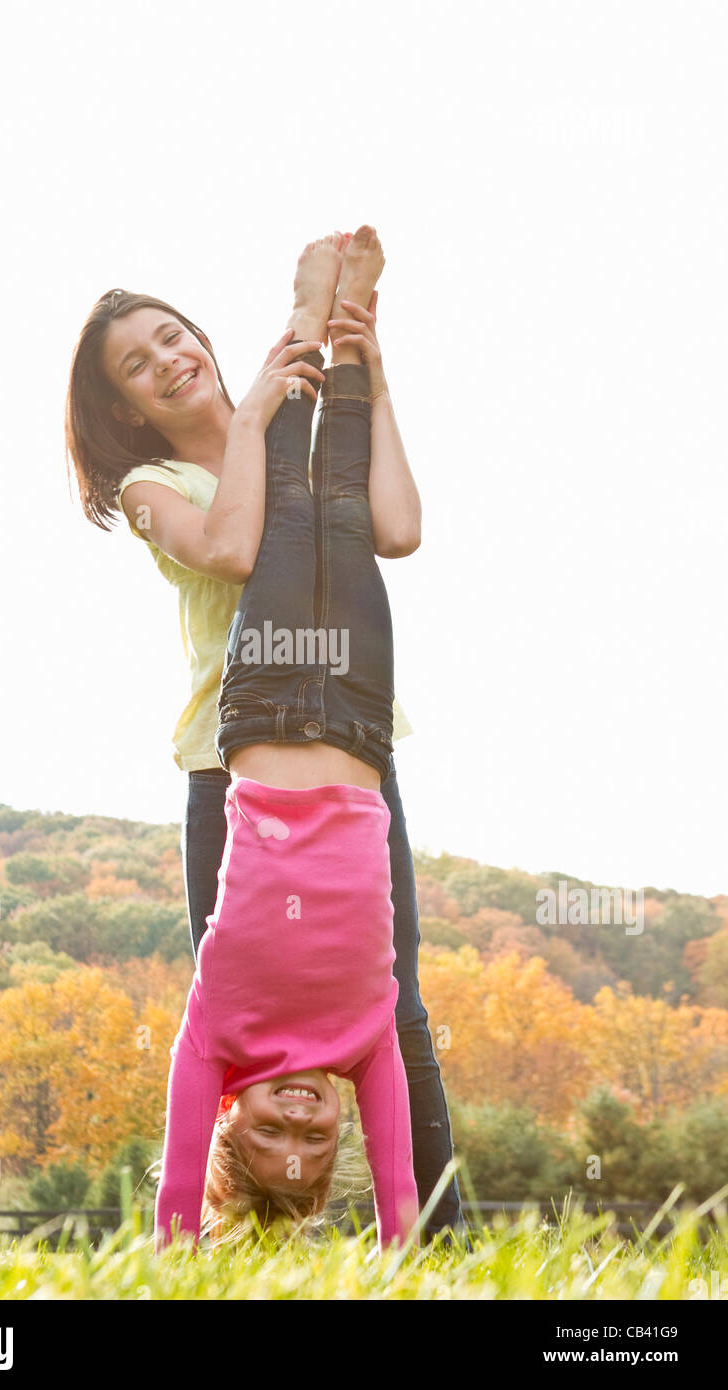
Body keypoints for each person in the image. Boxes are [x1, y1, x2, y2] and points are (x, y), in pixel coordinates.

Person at [64, 229, 464, 1240]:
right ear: (124, 406)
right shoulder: (151, 488)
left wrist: (367, 374)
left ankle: (437, 1236)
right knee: (233, 1017)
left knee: (395, 1002)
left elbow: (398, 527)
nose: (168, 360)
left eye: (172, 336)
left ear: (196, 334)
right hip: (228, 768)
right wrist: (256, 409)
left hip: (353, 745)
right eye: (138, 364)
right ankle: (235, 1223)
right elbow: (236, 547)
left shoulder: (292, 425)